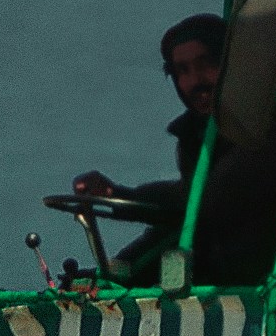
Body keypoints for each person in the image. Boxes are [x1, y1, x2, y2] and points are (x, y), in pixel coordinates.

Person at [58, 15, 227, 281]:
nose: (195, 81)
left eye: (205, 64)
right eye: (182, 71)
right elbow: (183, 215)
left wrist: (124, 198)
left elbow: (210, 202)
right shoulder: (194, 135)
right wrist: (117, 272)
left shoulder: (267, 124)